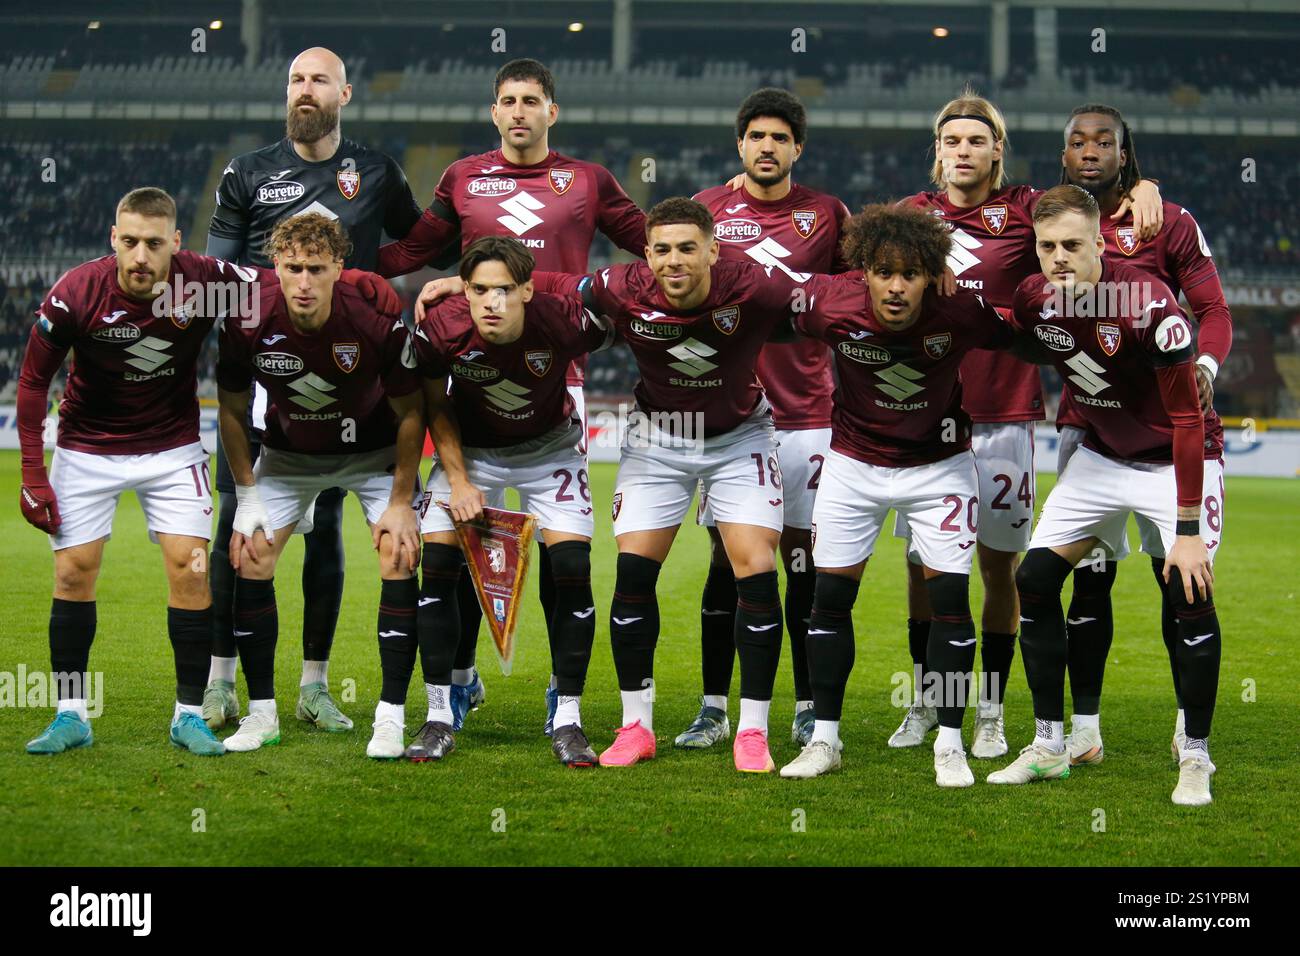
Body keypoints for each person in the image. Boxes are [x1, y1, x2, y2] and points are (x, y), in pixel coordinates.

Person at [887, 90, 1164, 759]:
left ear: (996, 150)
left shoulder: (1026, 211)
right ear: (937, 150)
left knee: (999, 570)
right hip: (927, 419)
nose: (963, 152)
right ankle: (930, 699)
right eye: (951, 141)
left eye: (976, 141)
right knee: (924, 568)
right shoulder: (906, 219)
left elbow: (1095, 204)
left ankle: (990, 711)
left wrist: (1147, 184)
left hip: (1004, 417)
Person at [378, 57, 648, 734]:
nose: (520, 110)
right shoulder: (462, 177)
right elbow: (414, 251)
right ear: (494, 112)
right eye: (508, 100)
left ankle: (566, 696)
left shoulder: (587, 181)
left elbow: (655, 247)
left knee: (567, 560)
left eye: (532, 100)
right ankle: (459, 682)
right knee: (461, 545)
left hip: (560, 378)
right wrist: (346, 269)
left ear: (552, 111)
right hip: (470, 383)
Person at [773, 204, 1045, 786]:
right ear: (862, 270)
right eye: (884, 272)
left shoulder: (960, 309)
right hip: (851, 466)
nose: (896, 288)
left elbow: (1027, 341)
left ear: (933, 275)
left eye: (912, 274)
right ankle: (825, 739)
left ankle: (950, 743)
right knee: (827, 602)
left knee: (950, 604)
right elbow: (756, 302)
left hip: (939, 469)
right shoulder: (828, 301)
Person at [202, 46, 423, 735]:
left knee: (325, 531)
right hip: (268, 365)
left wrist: (387, 281)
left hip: (345, 373)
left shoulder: (377, 172)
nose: (305, 89)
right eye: (296, 79)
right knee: (237, 531)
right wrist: (262, 314)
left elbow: (419, 242)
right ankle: (220, 679)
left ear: (344, 94)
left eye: (318, 79)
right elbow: (218, 269)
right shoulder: (247, 171)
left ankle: (315, 684)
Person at [995, 185, 1222, 807]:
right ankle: (1049, 745)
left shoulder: (1150, 306)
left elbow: (1187, 422)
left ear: (1102, 243)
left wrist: (1185, 531)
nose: (1059, 257)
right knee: (1035, 583)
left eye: (1073, 244)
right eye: (1047, 246)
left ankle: (1195, 754)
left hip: (1173, 462)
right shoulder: (1034, 297)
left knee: (1188, 587)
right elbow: (1016, 337)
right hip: (1100, 457)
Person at [18, 187, 262, 756]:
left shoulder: (203, 281)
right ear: (113, 238)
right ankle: (71, 713)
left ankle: (187, 715)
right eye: (129, 242)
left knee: (191, 572)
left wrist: (363, 289)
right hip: (85, 448)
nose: (140, 256)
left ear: (175, 243)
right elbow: (33, 383)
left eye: (154, 244)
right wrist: (33, 473)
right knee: (75, 574)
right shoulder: (76, 292)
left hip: (172, 449)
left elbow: (273, 285)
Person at [1054, 104, 1232, 766]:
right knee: (1089, 580)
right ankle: (1085, 727)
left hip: (1165, 432)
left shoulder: (1167, 220)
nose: (1091, 150)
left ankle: (1191, 724)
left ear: (1126, 155)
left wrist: (1205, 367)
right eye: (1078, 142)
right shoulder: (1048, 221)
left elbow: (1212, 308)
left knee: (1176, 579)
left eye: (1106, 141)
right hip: (1091, 429)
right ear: (1064, 156)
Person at [214, 214, 424, 757]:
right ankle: (262, 715)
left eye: (316, 269)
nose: (303, 282)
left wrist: (401, 502)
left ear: (338, 270)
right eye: (292, 268)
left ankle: (391, 717)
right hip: (289, 458)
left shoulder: (376, 320)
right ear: (275, 268)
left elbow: (410, 413)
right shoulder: (246, 320)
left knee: (399, 556)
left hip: (373, 455)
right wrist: (248, 494)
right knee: (250, 556)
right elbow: (232, 413)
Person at [679, 87, 849, 750]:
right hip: (731, 420)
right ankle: (714, 708)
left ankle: (808, 704)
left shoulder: (828, 214)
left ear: (797, 148)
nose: (767, 147)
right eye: (756, 137)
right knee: (727, 564)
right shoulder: (708, 211)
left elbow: (858, 294)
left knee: (806, 564)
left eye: (780, 138)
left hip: (809, 416)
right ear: (740, 144)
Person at [408, 236, 613, 766]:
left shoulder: (565, 320)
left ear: (526, 289)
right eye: (479, 290)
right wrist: (457, 482)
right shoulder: (442, 329)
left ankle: (567, 714)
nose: (491, 303)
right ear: (465, 291)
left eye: (504, 290)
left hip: (551, 451)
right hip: (472, 453)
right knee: (438, 567)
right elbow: (435, 406)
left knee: (571, 569)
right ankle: (439, 713)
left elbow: (623, 319)